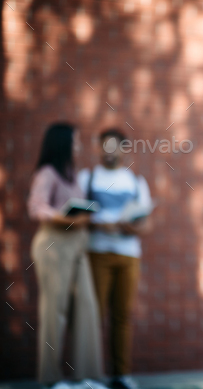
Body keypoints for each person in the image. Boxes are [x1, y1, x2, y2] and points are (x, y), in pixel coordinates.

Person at [28, 122, 107, 389]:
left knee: (87, 307)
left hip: (76, 246)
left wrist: (84, 215)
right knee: (55, 310)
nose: (78, 146)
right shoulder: (47, 173)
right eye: (74, 141)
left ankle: (85, 377)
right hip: (53, 246)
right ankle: (51, 380)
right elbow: (37, 207)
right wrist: (62, 216)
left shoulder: (72, 174)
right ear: (62, 144)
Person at [78, 128, 153, 389]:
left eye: (114, 147)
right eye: (104, 147)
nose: (109, 152)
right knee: (92, 315)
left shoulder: (135, 182)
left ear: (123, 149)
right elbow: (75, 217)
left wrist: (129, 227)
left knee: (122, 316)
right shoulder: (87, 179)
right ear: (98, 148)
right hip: (96, 253)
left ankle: (120, 375)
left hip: (128, 255)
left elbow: (146, 224)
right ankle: (89, 375)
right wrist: (99, 224)